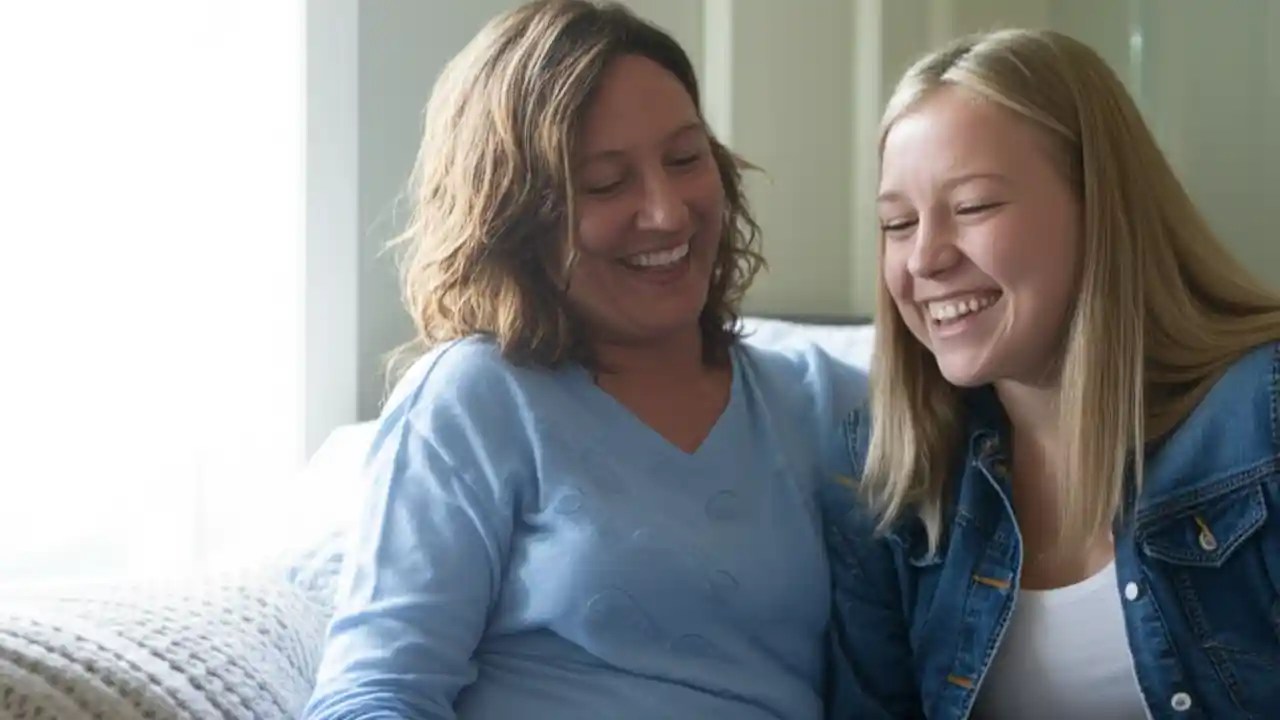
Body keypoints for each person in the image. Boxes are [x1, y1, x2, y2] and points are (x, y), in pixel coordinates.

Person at [302, 2, 866, 718]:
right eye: (605, 184)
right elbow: (377, 691)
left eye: (686, 159)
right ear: (515, 215)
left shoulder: (822, 405)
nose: (666, 213)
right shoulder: (475, 400)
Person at [822, 28, 1280, 720]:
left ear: (1102, 208)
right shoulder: (886, 474)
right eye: (897, 223)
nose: (923, 260)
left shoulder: (1263, 418)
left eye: (973, 207)